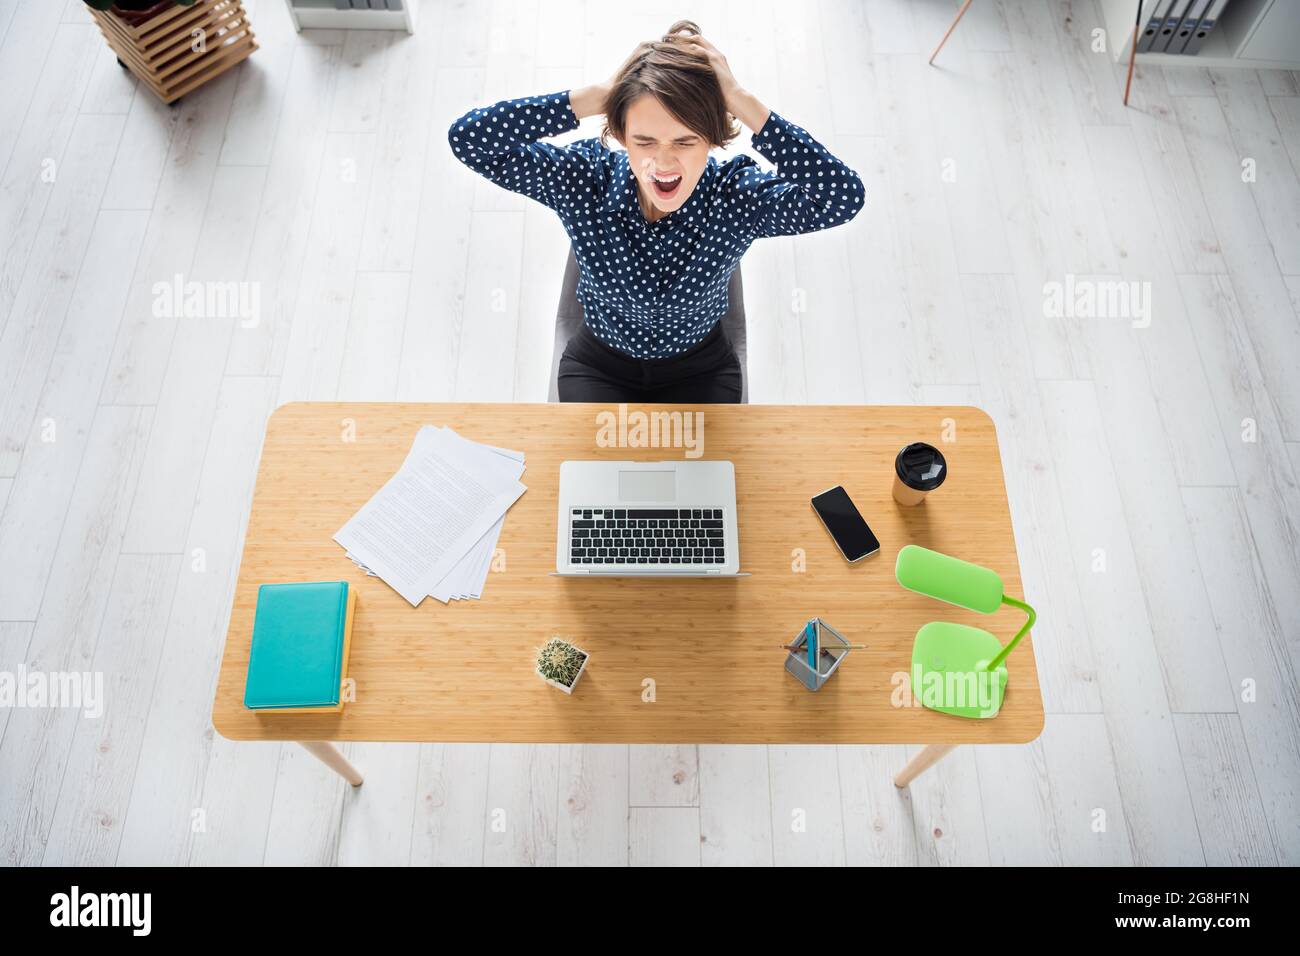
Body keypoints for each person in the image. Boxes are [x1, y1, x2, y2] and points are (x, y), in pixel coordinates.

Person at [448, 20, 866, 403]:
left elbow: (842, 197)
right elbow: (470, 139)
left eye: (685, 142)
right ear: (620, 135)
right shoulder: (584, 181)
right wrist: (595, 98)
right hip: (599, 366)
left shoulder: (736, 198)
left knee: (707, 483)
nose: (663, 165)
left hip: (700, 370)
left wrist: (740, 101)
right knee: (592, 481)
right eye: (645, 141)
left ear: (713, 140)